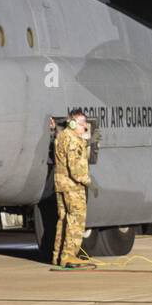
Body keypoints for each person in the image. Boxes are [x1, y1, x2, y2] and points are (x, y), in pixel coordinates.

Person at [52, 109, 95, 269]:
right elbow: (76, 169)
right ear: (72, 123)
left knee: (63, 220)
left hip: (61, 184)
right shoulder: (73, 141)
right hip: (73, 186)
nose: (85, 126)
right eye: (82, 123)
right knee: (76, 219)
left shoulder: (61, 137)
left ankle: (58, 255)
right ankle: (69, 256)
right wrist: (88, 181)